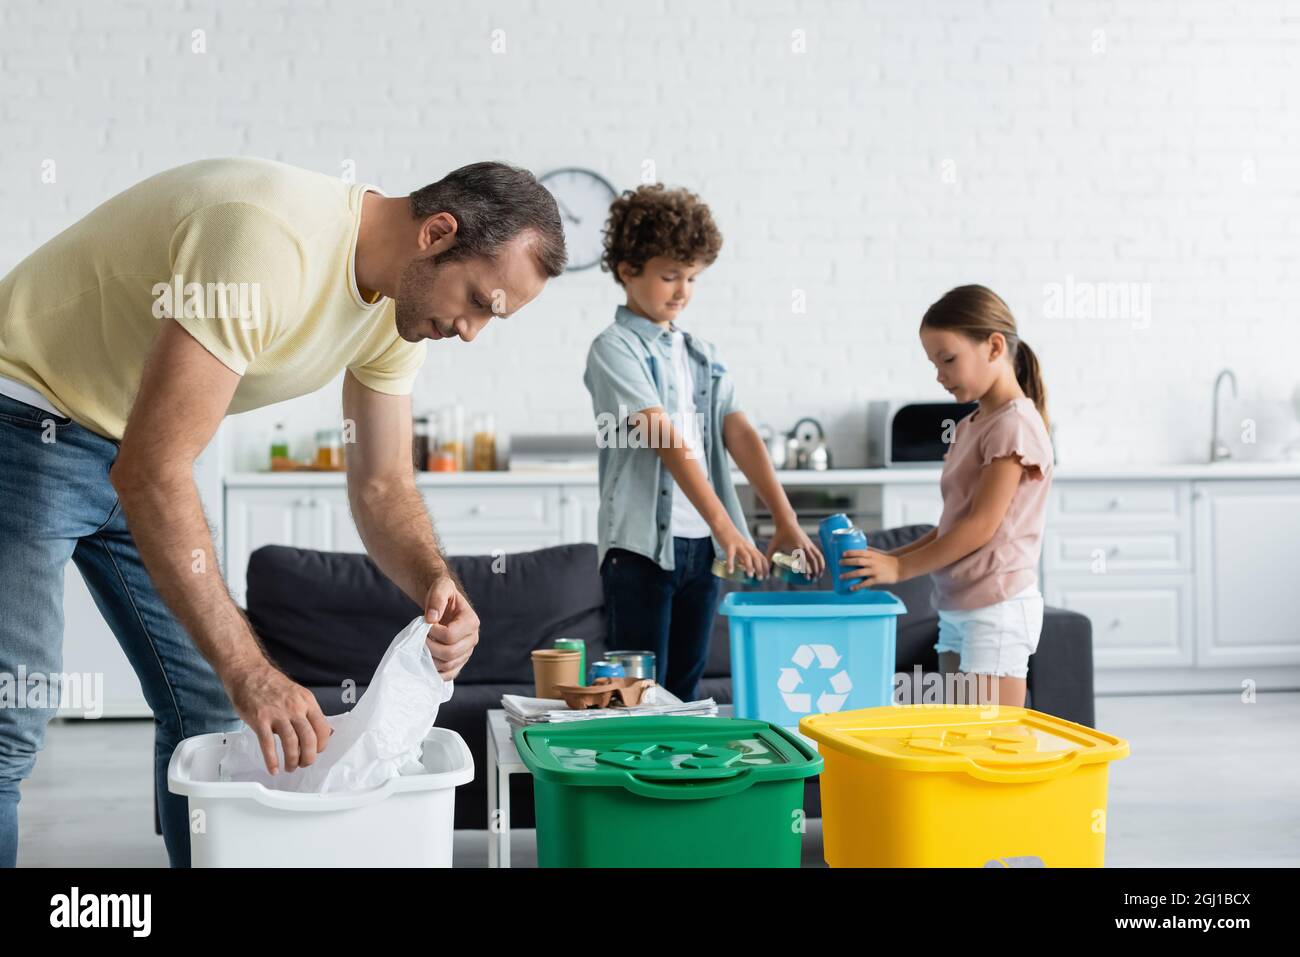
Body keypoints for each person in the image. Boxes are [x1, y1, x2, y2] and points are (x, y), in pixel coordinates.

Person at [0, 157, 566, 865]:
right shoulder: (266, 241)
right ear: (437, 233)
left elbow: (382, 483)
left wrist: (433, 581)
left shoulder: (401, 311)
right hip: (23, 411)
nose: (475, 331)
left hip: (128, 440)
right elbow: (153, 469)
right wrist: (253, 669)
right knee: (9, 717)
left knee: (205, 704)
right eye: (482, 302)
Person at [583, 184, 824, 702]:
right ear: (628, 270)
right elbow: (663, 437)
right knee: (638, 697)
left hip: (705, 551)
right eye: (670, 275)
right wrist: (727, 525)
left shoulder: (701, 354)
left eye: (692, 277)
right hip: (641, 550)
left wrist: (783, 520)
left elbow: (739, 432)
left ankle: (683, 783)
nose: (683, 290)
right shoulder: (613, 349)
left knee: (686, 694)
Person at [840, 284, 1052, 708]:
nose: (940, 374)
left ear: (994, 347)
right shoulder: (975, 423)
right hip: (961, 606)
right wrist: (890, 557)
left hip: (997, 607)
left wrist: (900, 568)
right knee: (958, 738)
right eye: (934, 363)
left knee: (992, 743)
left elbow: (979, 528)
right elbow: (953, 525)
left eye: (948, 359)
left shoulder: (1013, 425)